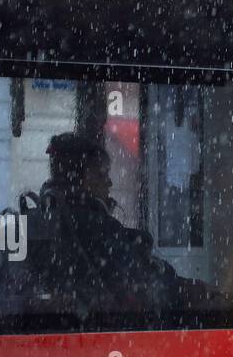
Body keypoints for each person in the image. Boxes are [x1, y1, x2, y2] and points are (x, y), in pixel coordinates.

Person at [34, 132, 179, 311]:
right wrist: (180, 285)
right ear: (86, 177)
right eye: (103, 174)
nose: (109, 183)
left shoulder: (45, 218)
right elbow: (142, 283)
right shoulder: (96, 226)